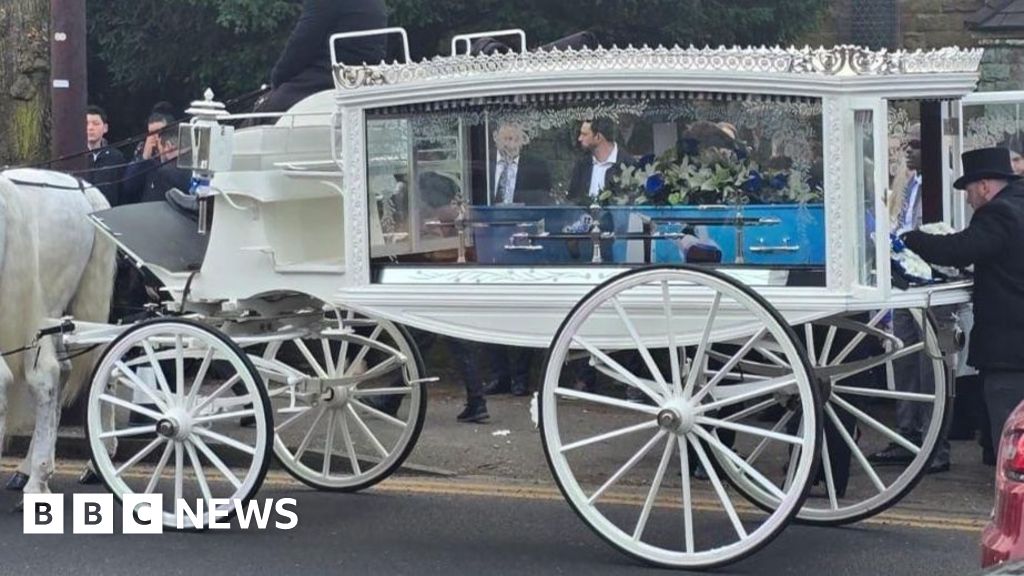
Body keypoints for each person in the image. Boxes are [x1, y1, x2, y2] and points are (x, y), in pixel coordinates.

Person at [899, 147, 1024, 452]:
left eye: (969, 190)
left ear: (984, 186)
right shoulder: (1017, 204)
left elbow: (959, 249)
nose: (968, 199)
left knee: (1009, 435)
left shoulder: (999, 213)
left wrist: (910, 238)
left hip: (1011, 347)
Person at [256, 0, 387, 114]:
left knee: (265, 109)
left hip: (331, 77)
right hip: (368, 76)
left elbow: (301, 45)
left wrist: (277, 79)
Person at [567, 118, 636, 204]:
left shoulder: (627, 164)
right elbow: (572, 199)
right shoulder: (582, 164)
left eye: (584, 134)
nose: (580, 138)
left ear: (598, 137)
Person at [489, 123, 552, 205]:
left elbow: (543, 201)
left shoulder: (538, 167)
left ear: (523, 141)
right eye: (507, 139)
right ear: (496, 138)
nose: (511, 145)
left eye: (516, 139)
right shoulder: (484, 162)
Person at [121, 110, 175, 205]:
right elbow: (129, 186)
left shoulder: (176, 149)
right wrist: (145, 157)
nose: (155, 137)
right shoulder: (142, 150)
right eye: (151, 133)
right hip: (147, 205)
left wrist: (163, 153)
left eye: (159, 132)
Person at [86, 105, 126, 206]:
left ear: (105, 128)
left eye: (95, 124)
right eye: (86, 124)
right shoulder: (74, 157)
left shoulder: (116, 157)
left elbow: (123, 191)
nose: (90, 128)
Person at [140, 127, 192, 204]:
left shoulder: (164, 173)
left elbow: (151, 207)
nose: (159, 153)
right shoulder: (200, 168)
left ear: (169, 146)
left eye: (160, 148)